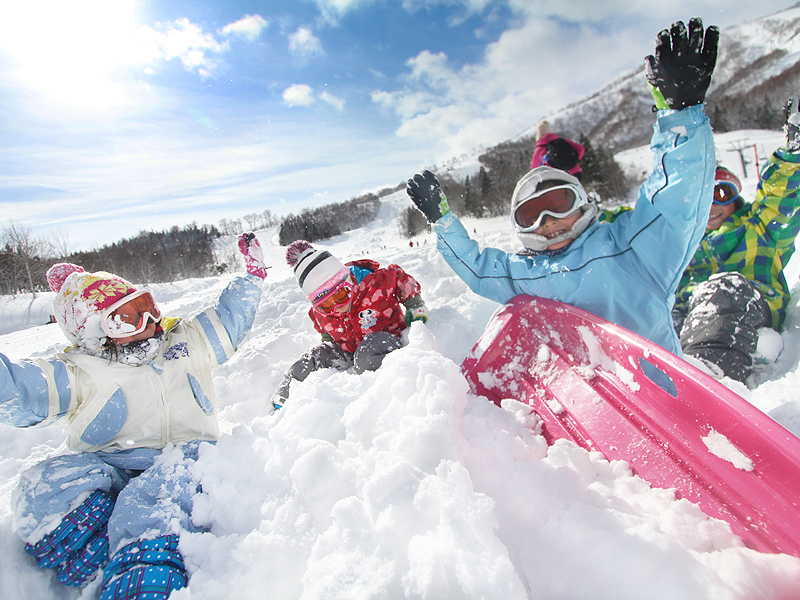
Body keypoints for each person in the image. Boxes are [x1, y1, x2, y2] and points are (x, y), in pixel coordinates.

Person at [406, 18, 719, 357]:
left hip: (657, 397)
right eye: (532, 214)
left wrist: (680, 115)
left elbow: (674, 199)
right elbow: (478, 266)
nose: (549, 220)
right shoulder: (529, 273)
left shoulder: (632, 249)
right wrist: (443, 220)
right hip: (584, 401)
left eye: (559, 203)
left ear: (581, 203)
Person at [0, 232, 268, 600]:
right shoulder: (80, 370)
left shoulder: (184, 341)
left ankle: (144, 567)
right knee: (42, 488)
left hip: (179, 457)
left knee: (156, 501)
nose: (147, 321)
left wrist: (251, 279)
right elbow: (21, 387)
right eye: (125, 318)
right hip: (110, 466)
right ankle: (102, 553)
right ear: (95, 336)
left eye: (147, 306)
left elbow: (228, 321)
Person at [674, 96, 800, 382]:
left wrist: (794, 154)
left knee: (723, 290)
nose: (711, 205)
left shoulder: (759, 227)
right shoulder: (682, 246)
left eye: (719, 193)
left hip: (748, 306)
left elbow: (780, 198)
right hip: (687, 318)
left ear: (736, 199)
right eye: (700, 199)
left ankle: (707, 386)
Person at [272, 240, 428, 407]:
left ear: (348, 281)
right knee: (314, 356)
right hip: (348, 350)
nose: (337, 307)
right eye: (326, 305)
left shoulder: (375, 284)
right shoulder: (318, 314)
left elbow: (398, 277)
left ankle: (389, 381)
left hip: (385, 338)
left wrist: (414, 304)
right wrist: (328, 345)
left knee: (366, 356)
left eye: (340, 296)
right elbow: (324, 329)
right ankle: (283, 400)